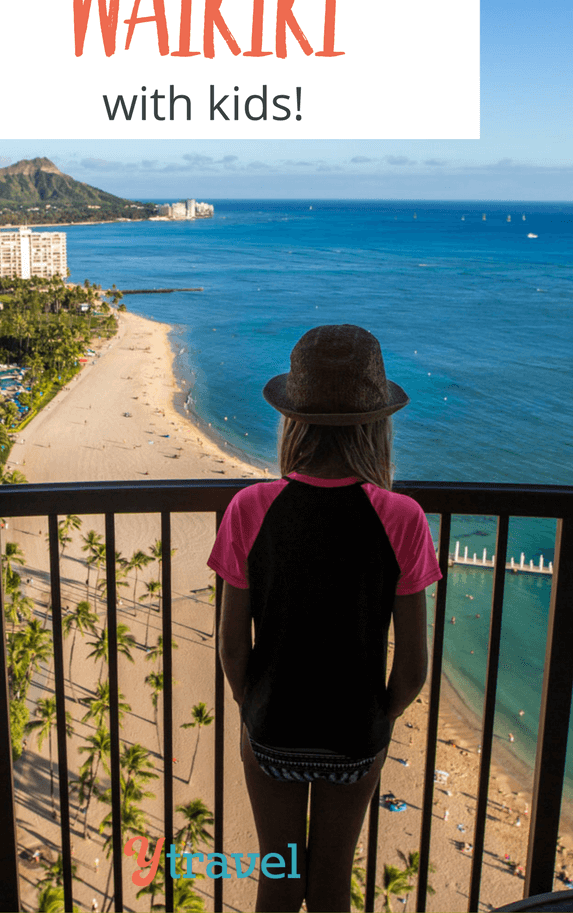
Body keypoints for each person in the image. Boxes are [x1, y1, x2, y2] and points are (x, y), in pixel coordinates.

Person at [208, 325, 442, 912]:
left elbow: (232, 648)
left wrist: (254, 704)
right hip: (355, 735)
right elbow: (413, 667)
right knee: (334, 875)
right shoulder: (403, 517)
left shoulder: (250, 508)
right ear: (376, 424)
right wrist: (374, 715)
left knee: (278, 875)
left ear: (294, 421)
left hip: (273, 726)